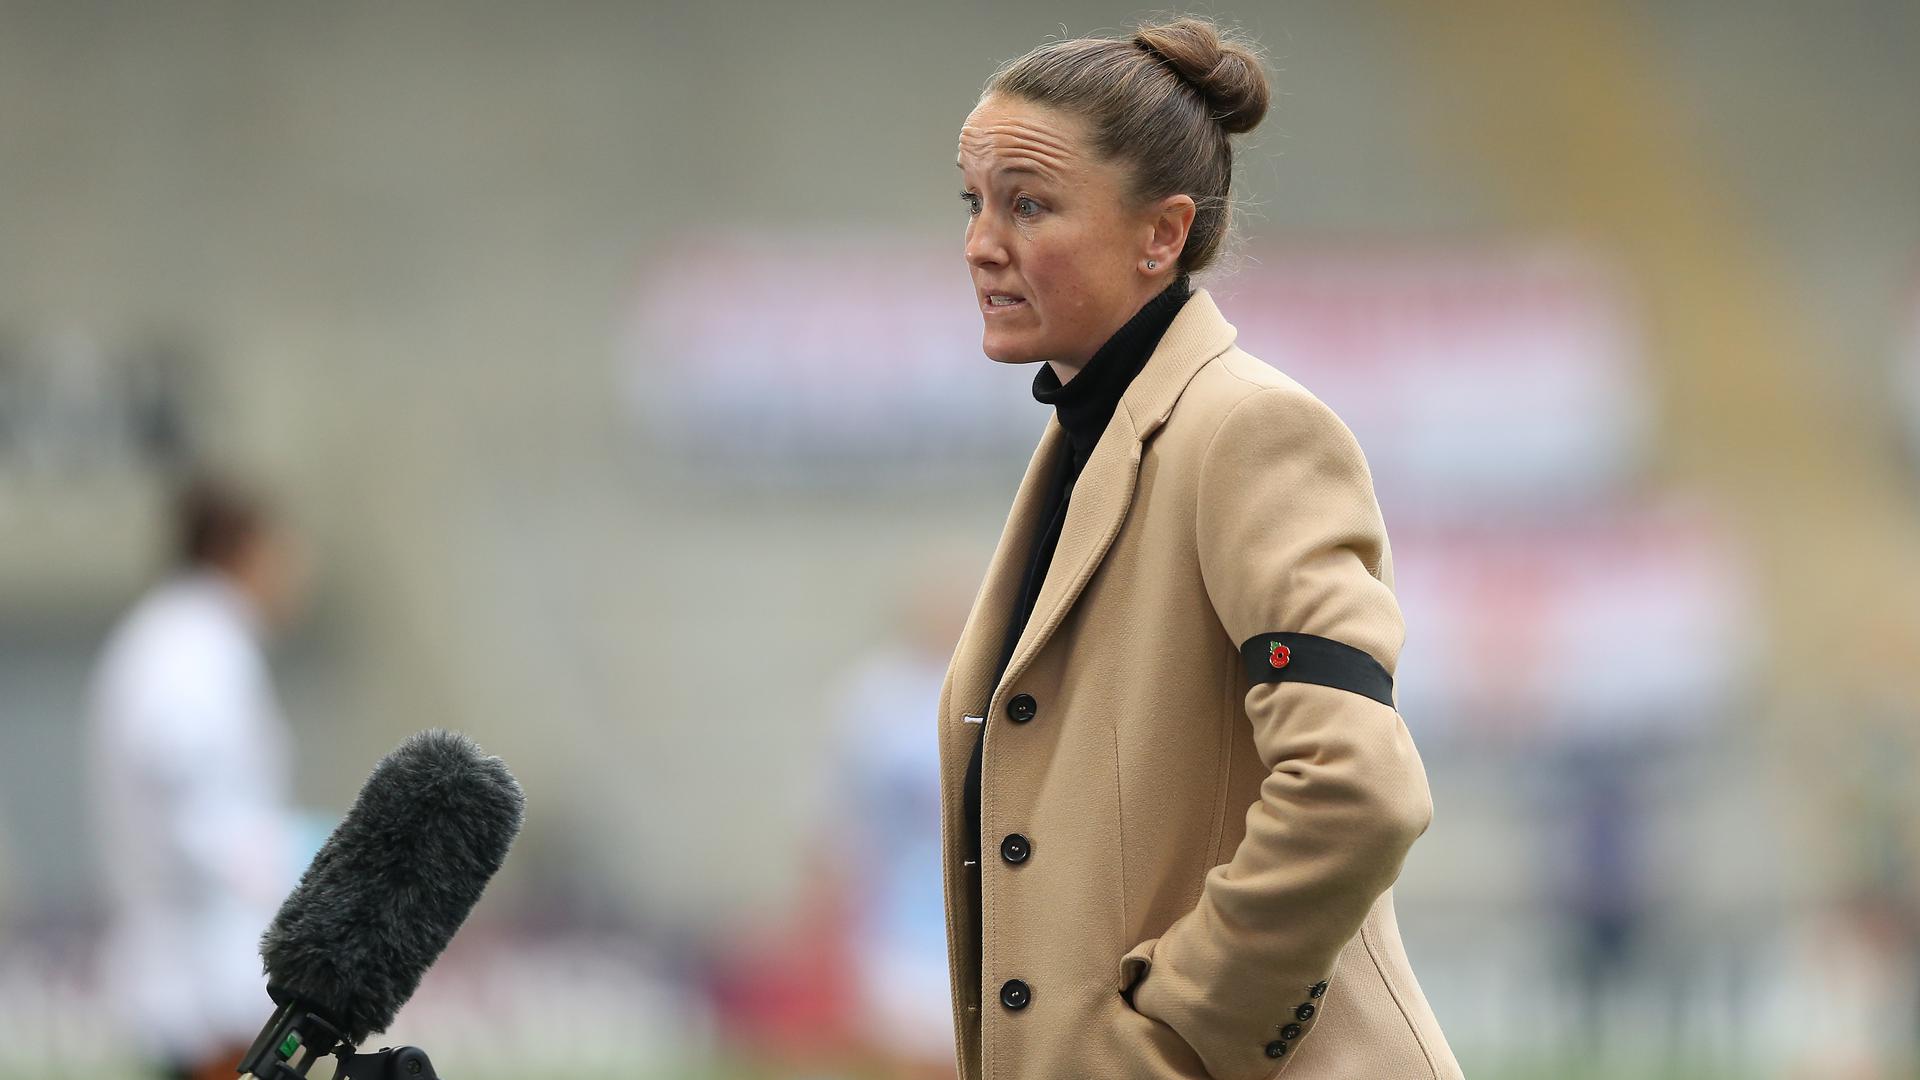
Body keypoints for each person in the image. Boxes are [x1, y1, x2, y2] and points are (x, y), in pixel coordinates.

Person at [938, 16, 1463, 1079]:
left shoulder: (1247, 430)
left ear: (1161, 236)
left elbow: (1358, 785)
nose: (982, 242)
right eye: (975, 202)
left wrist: (1188, 1025)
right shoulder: (1090, 437)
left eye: (1028, 204)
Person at [85, 472, 310, 1080]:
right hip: (204, 986)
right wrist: (306, 857)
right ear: (246, 550)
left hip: (198, 972)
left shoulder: (179, 642)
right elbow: (199, 819)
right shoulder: (192, 652)